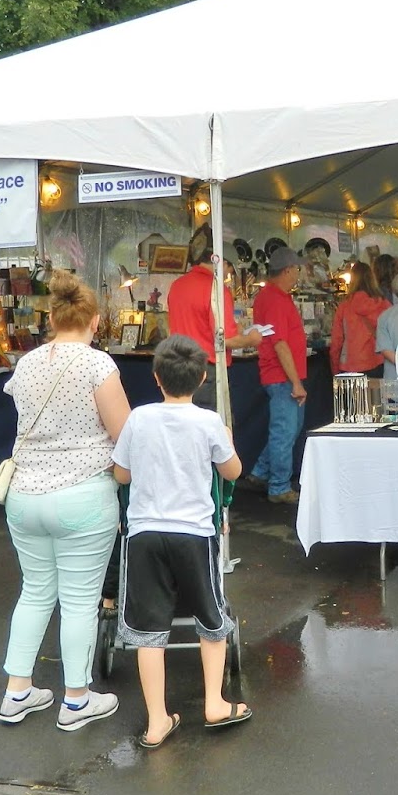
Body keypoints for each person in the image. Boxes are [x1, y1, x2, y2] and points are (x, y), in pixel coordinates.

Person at [0, 272, 131, 730]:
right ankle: (76, 700)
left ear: (52, 318)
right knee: (79, 601)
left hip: (24, 494)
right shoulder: (99, 366)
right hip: (83, 495)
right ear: (94, 321)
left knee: (34, 592)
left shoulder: (28, 364)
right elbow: (124, 435)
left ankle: (17, 691)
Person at [111, 336, 251, 748]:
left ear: (156, 378)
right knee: (211, 618)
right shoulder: (208, 422)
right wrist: (226, 438)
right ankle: (214, 703)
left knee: (149, 628)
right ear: (203, 377)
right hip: (193, 532)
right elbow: (233, 472)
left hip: (145, 534)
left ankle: (157, 720)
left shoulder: (139, 419)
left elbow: (121, 475)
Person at [166, 239, 262, 408]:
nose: (228, 275)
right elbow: (226, 339)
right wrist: (251, 339)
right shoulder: (217, 289)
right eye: (230, 270)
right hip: (206, 370)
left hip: (177, 366)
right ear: (223, 263)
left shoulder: (177, 285)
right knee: (211, 427)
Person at [244, 246, 306, 504]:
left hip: (279, 375)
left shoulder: (271, 297)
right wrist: (295, 382)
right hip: (282, 376)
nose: (299, 275)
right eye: (297, 270)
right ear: (289, 270)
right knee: (285, 431)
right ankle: (279, 486)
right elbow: (280, 344)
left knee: (287, 429)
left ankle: (260, 471)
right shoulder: (276, 299)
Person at [329, 260, 391, 378]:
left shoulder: (344, 306)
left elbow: (336, 342)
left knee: (353, 397)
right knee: (376, 396)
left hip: (350, 365)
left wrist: (335, 370)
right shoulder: (383, 304)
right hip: (378, 362)